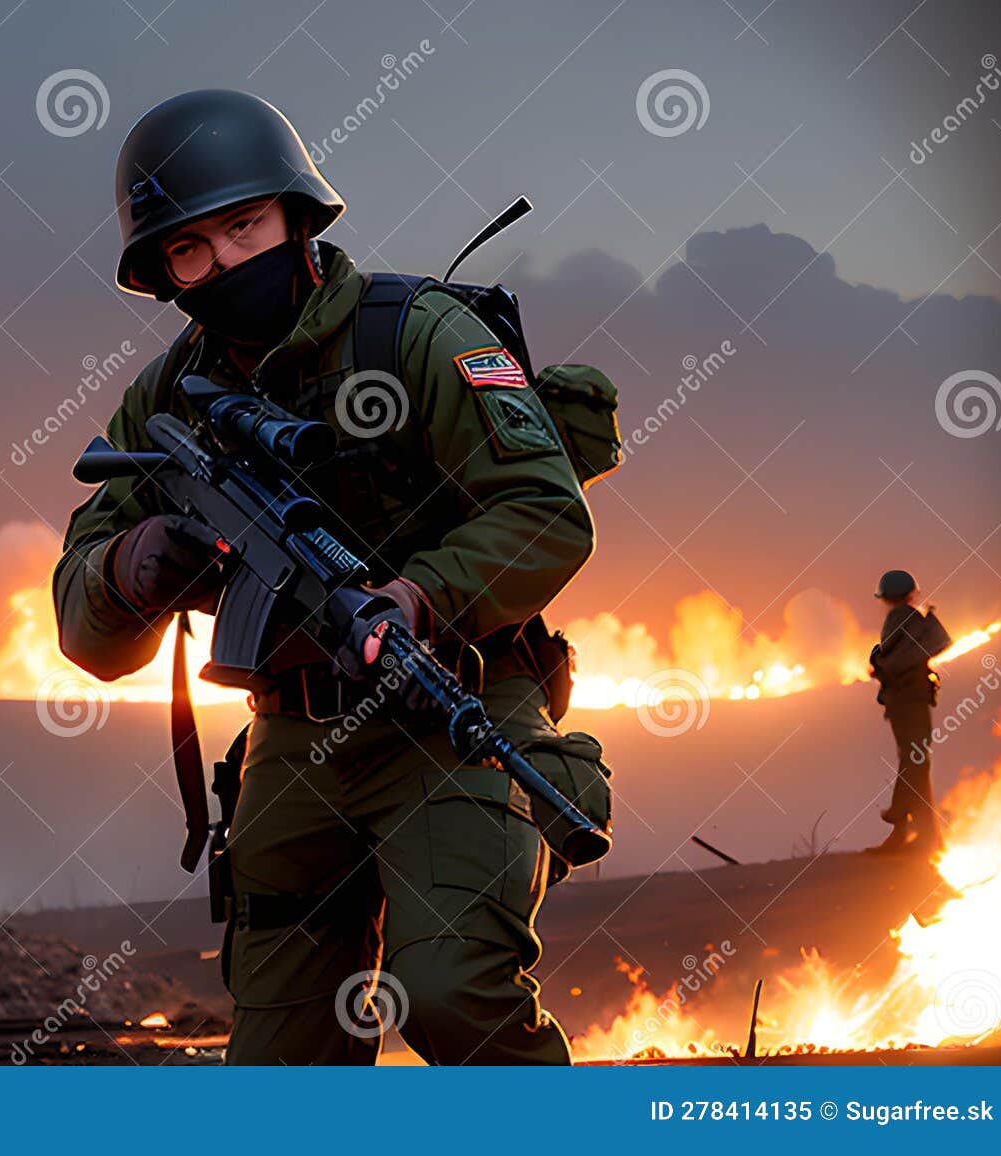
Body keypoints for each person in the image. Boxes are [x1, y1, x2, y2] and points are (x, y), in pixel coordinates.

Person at [53, 89, 611, 1064]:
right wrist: (128, 567)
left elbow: (547, 513)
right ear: (161, 274)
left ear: (297, 217)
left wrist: (418, 594)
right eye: (190, 248)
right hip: (294, 740)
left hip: (452, 709)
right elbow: (85, 628)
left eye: (243, 226)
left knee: (450, 996)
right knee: (280, 1064)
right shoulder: (162, 406)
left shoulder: (416, 335)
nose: (224, 262)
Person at [867, 569, 951, 853]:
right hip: (912, 701)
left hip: (906, 703)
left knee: (914, 762)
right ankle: (926, 838)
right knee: (918, 762)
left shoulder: (899, 619)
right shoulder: (915, 620)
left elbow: (892, 662)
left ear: (886, 597)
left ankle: (903, 825)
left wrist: (879, 664)